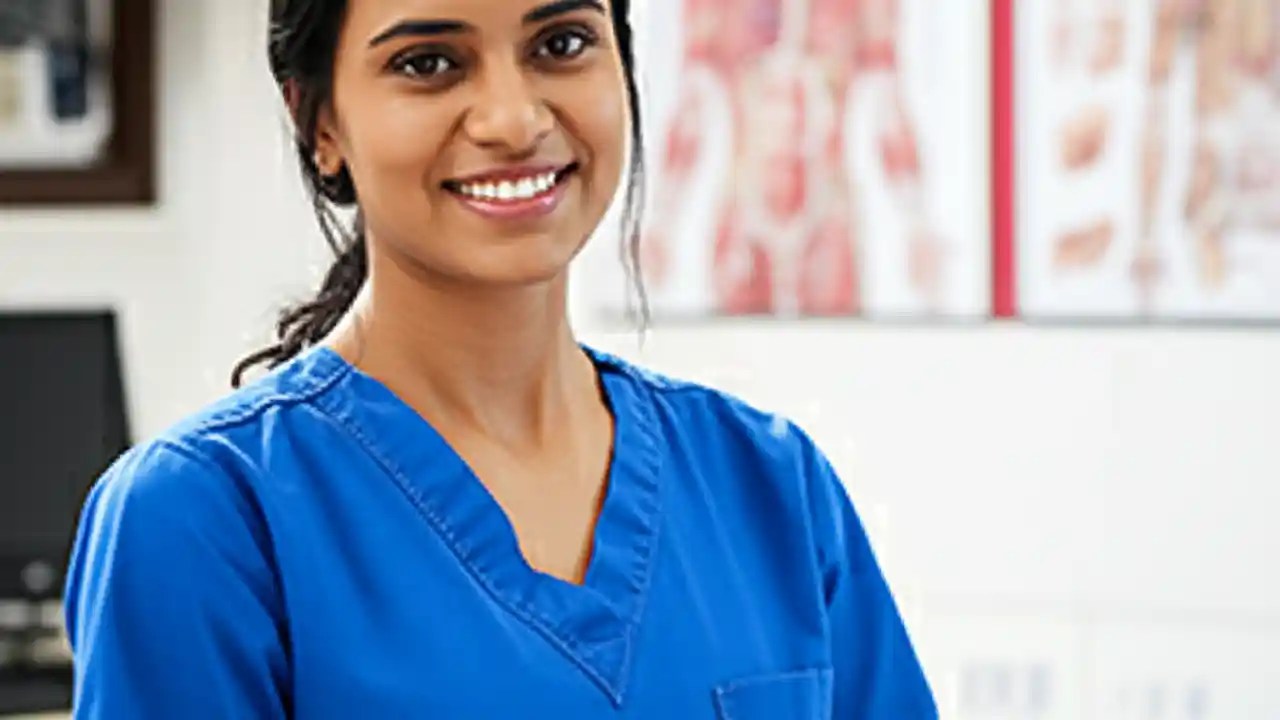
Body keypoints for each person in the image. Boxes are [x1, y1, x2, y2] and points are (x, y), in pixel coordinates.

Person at [62, 0, 937, 717]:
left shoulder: (770, 486)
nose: (514, 120)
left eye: (560, 44)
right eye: (430, 63)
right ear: (319, 119)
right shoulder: (202, 520)